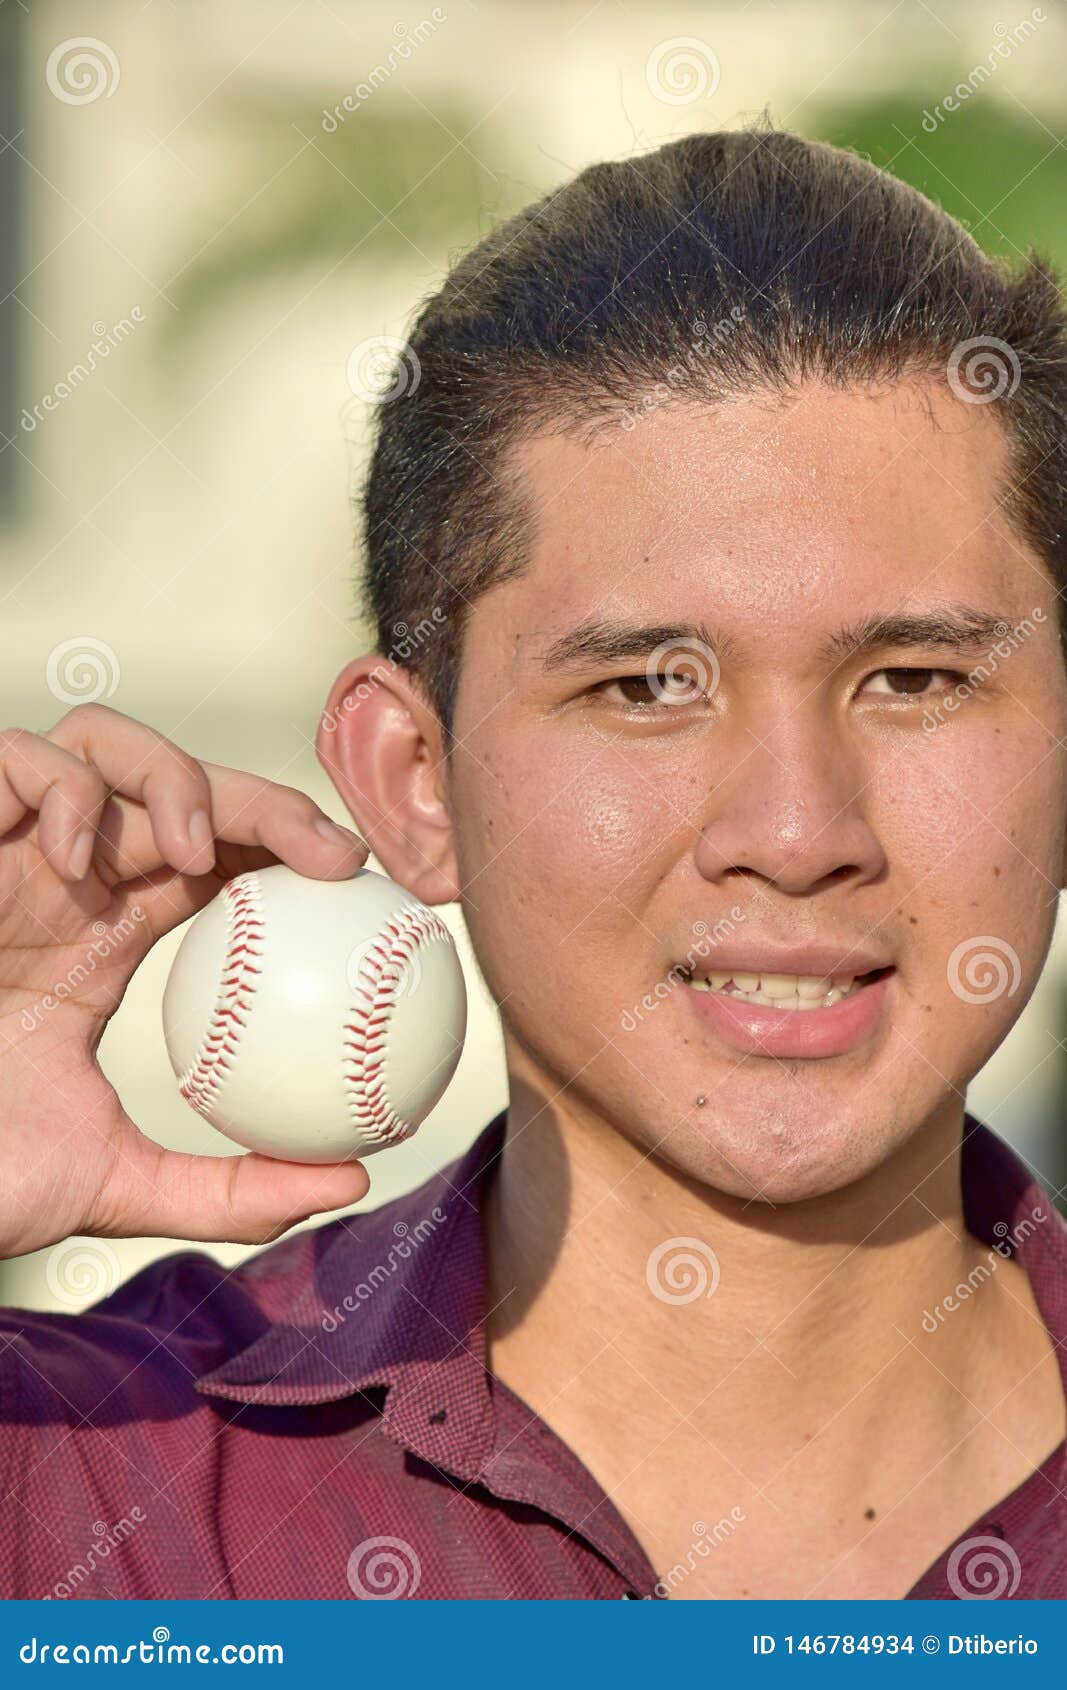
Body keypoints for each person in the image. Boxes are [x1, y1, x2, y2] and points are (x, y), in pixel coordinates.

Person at [2, 125, 1067, 1602]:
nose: (798, 831)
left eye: (915, 677)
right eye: (647, 687)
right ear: (414, 780)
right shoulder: (83, 1485)